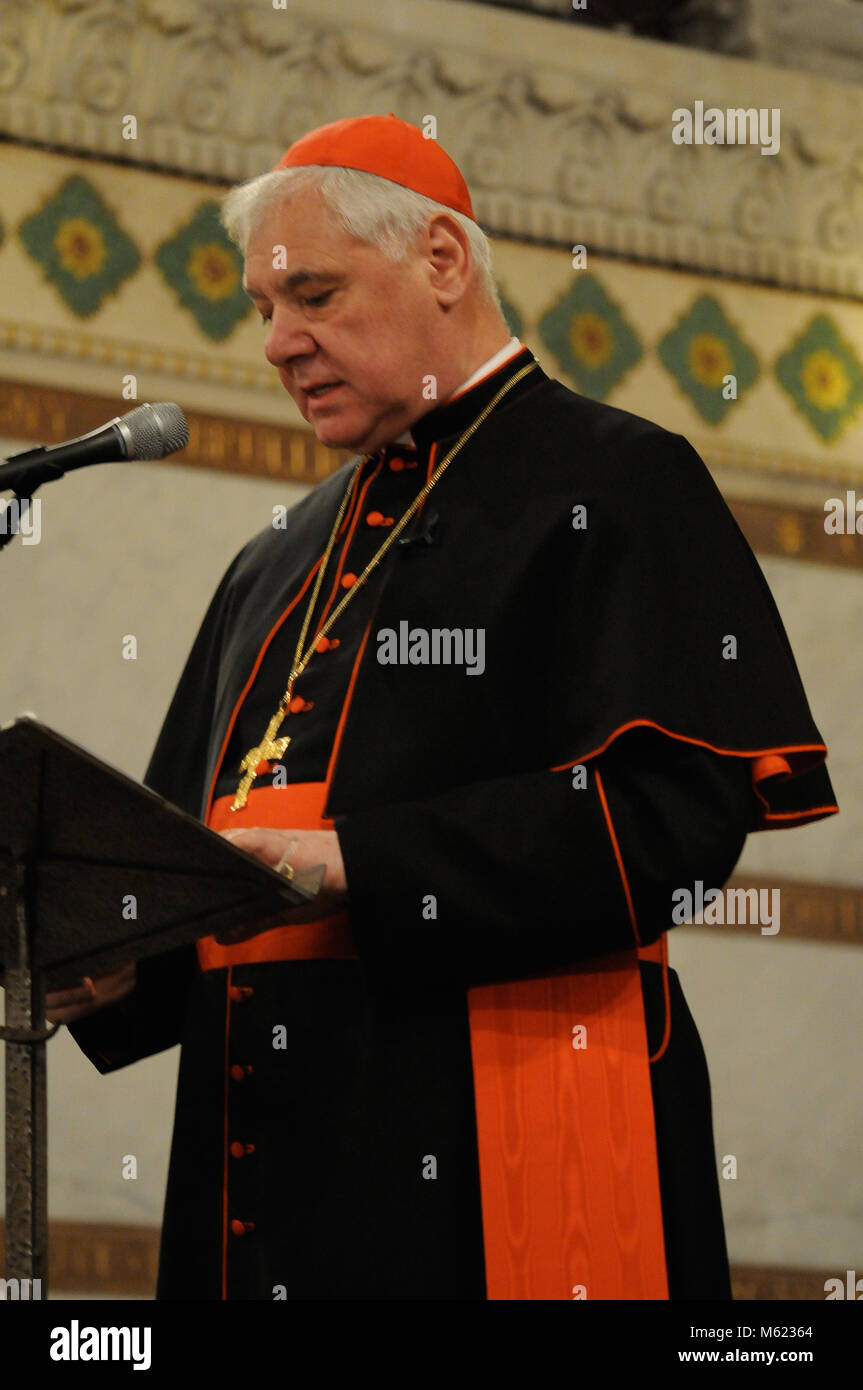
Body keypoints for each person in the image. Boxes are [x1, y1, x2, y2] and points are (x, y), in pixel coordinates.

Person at [50, 114, 838, 1301]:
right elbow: (195, 858)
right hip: (261, 1165)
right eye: (262, 306)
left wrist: (353, 861)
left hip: (488, 1140)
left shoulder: (615, 479)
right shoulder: (274, 559)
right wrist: (119, 962)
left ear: (441, 261)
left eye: (310, 293)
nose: (277, 342)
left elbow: (674, 819)